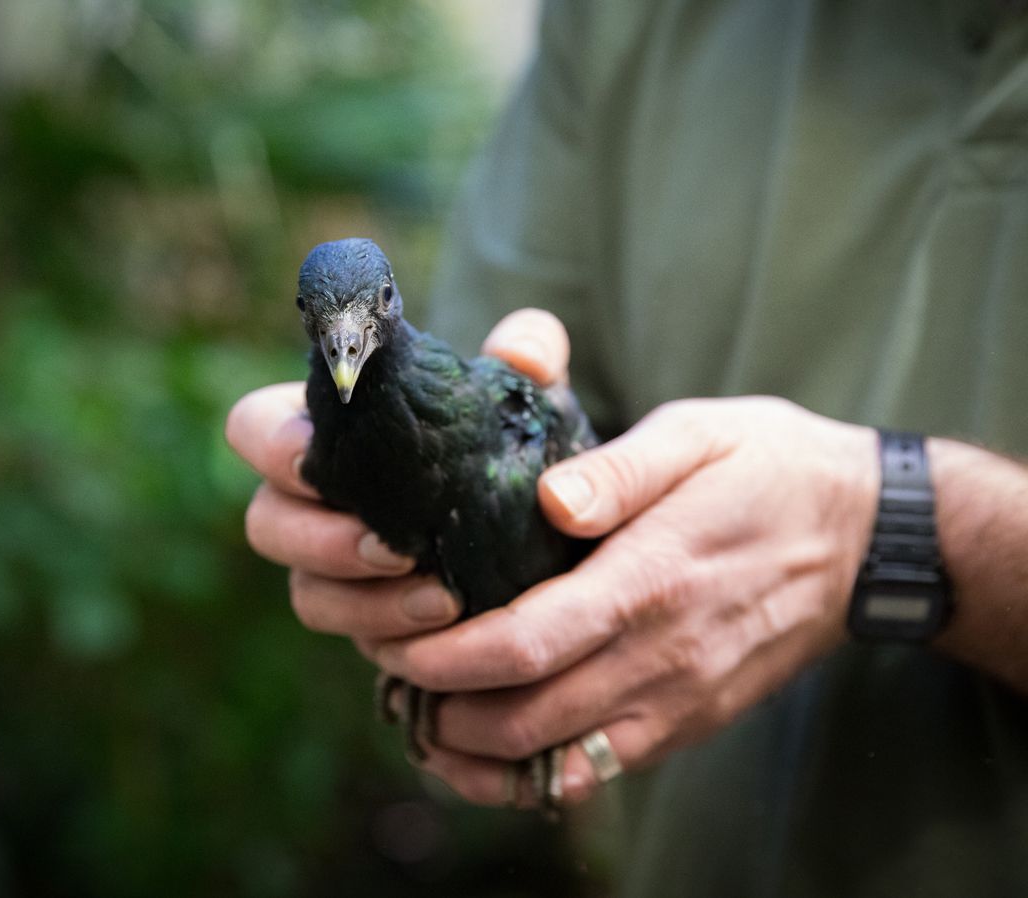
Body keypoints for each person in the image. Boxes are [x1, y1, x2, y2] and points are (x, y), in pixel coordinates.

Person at [228, 1, 1028, 894]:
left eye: (363, 318)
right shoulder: (620, 19)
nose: (344, 345)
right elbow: (514, 351)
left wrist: (898, 526)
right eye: (325, 327)